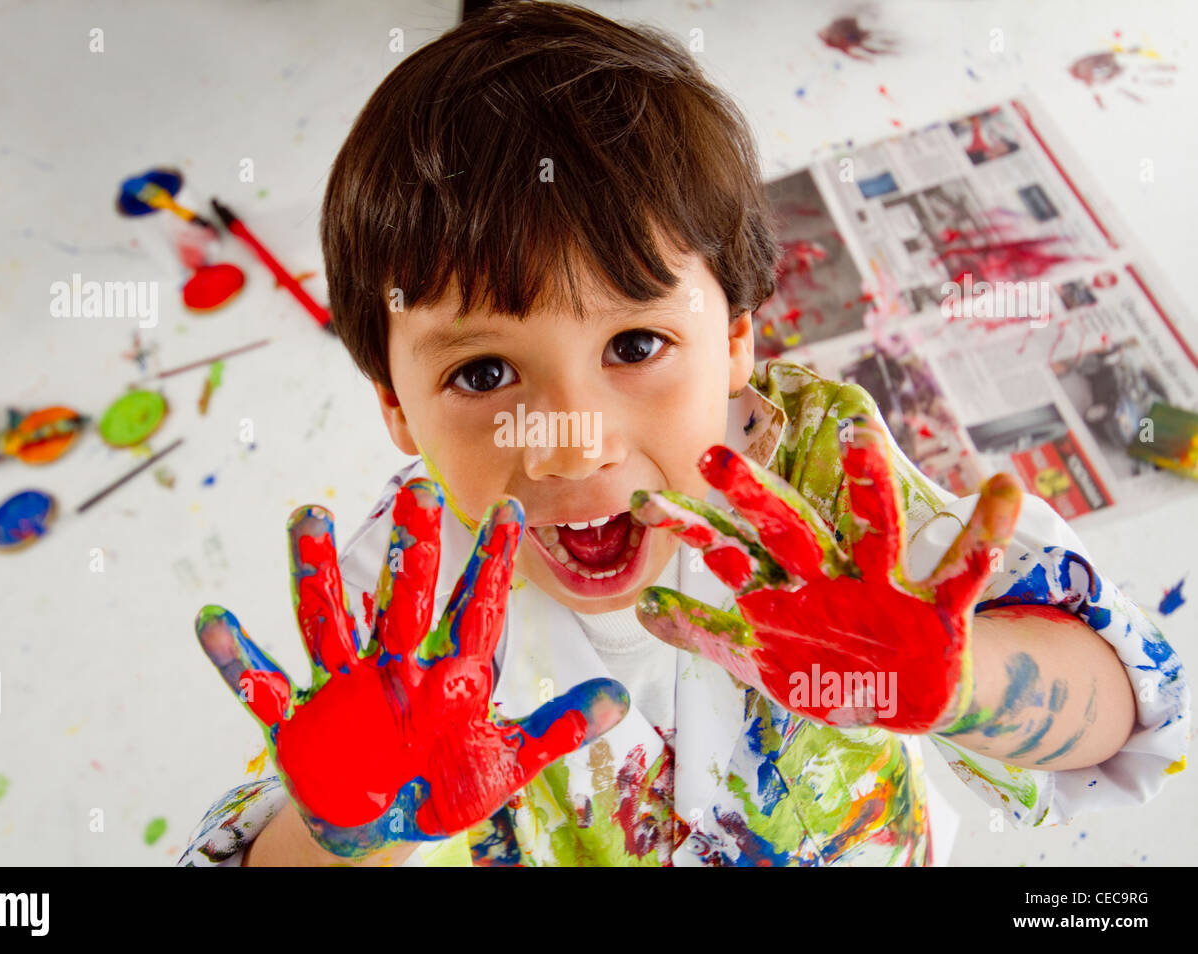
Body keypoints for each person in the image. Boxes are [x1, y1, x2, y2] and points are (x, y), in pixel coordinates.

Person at [178, 2, 1188, 867]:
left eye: (634, 343)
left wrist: (957, 676)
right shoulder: (401, 594)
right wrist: (339, 823)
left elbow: (1120, 713)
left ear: (738, 338)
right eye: (482, 371)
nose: (572, 444)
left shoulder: (823, 479)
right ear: (395, 404)